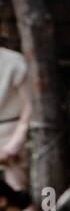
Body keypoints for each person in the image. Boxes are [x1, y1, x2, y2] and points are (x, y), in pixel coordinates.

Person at [0, 45, 31, 192]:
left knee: (18, 191)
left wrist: (16, 141)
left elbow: (29, 105)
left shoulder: (14, 61)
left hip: (10, 134)